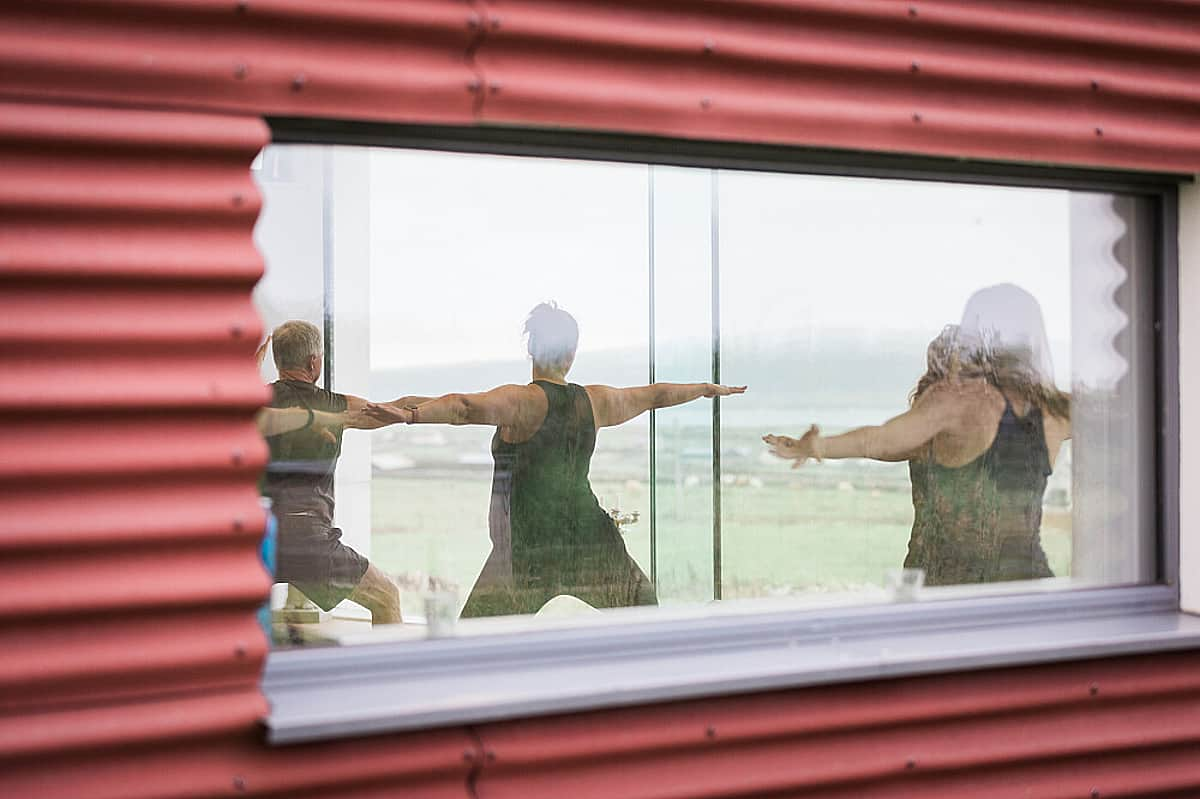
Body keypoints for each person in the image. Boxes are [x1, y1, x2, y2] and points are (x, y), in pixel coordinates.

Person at [363, 302, 746, 617]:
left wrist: (410, 415)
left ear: (532, 350)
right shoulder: (595, 401)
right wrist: (704, 389)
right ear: (571, 354)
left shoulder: (524, 402)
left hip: (529, 551)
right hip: (589, 540)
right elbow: (655, 395)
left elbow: (462, 407)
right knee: (644, 612)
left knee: (477, 640)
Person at [764, 284, 1071, 586]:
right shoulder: (1057, 411)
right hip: (1028, 590)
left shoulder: (955, 403)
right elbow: (880, 444)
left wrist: (816, 446)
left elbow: (878, 442)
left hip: (945, 593)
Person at [261, 320, 429, 624]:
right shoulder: (336, 407)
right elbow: (387, 410)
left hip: (260, 537)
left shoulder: (254, 405)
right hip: (308, 540)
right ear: (314, 362)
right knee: (386, 596)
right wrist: (421, 412)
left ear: (277, 361)